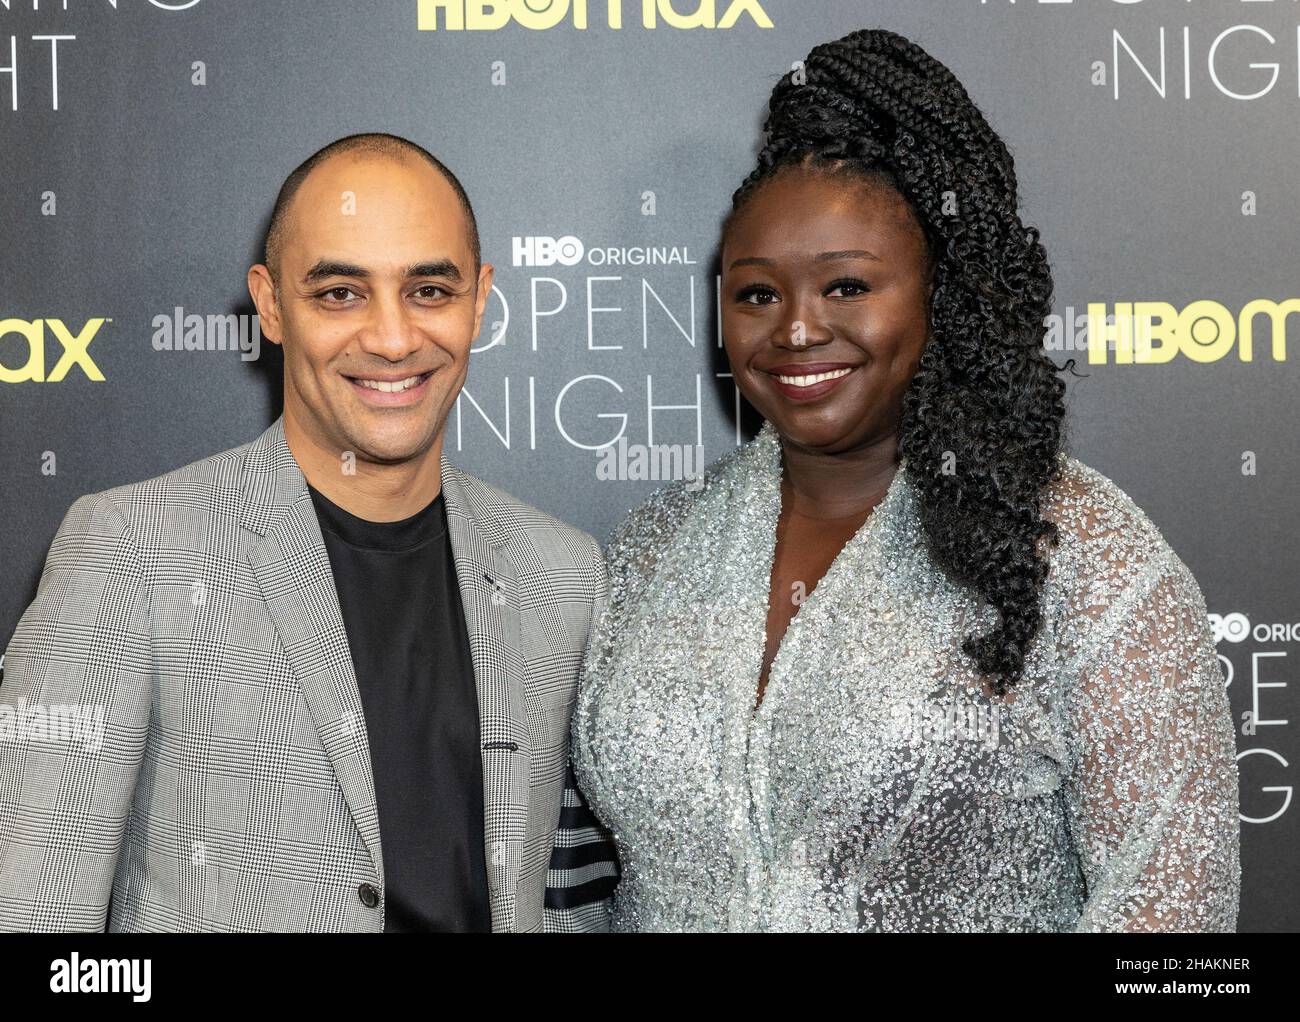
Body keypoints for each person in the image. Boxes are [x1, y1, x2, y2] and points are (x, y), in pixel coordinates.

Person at [569, 29, 1241, 932]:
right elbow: (582, 899)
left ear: (941, 293)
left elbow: (1179, 933)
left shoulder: (1079, 554)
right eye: (757, 293)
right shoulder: (655, 548)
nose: (797, 329)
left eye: (846, 286)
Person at [0, 133, 614, 933]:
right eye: (339, 294)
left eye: (429, 289)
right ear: (271, 303)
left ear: (480, 298)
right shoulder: (130, 550)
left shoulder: (560, 572)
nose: (393, 339)